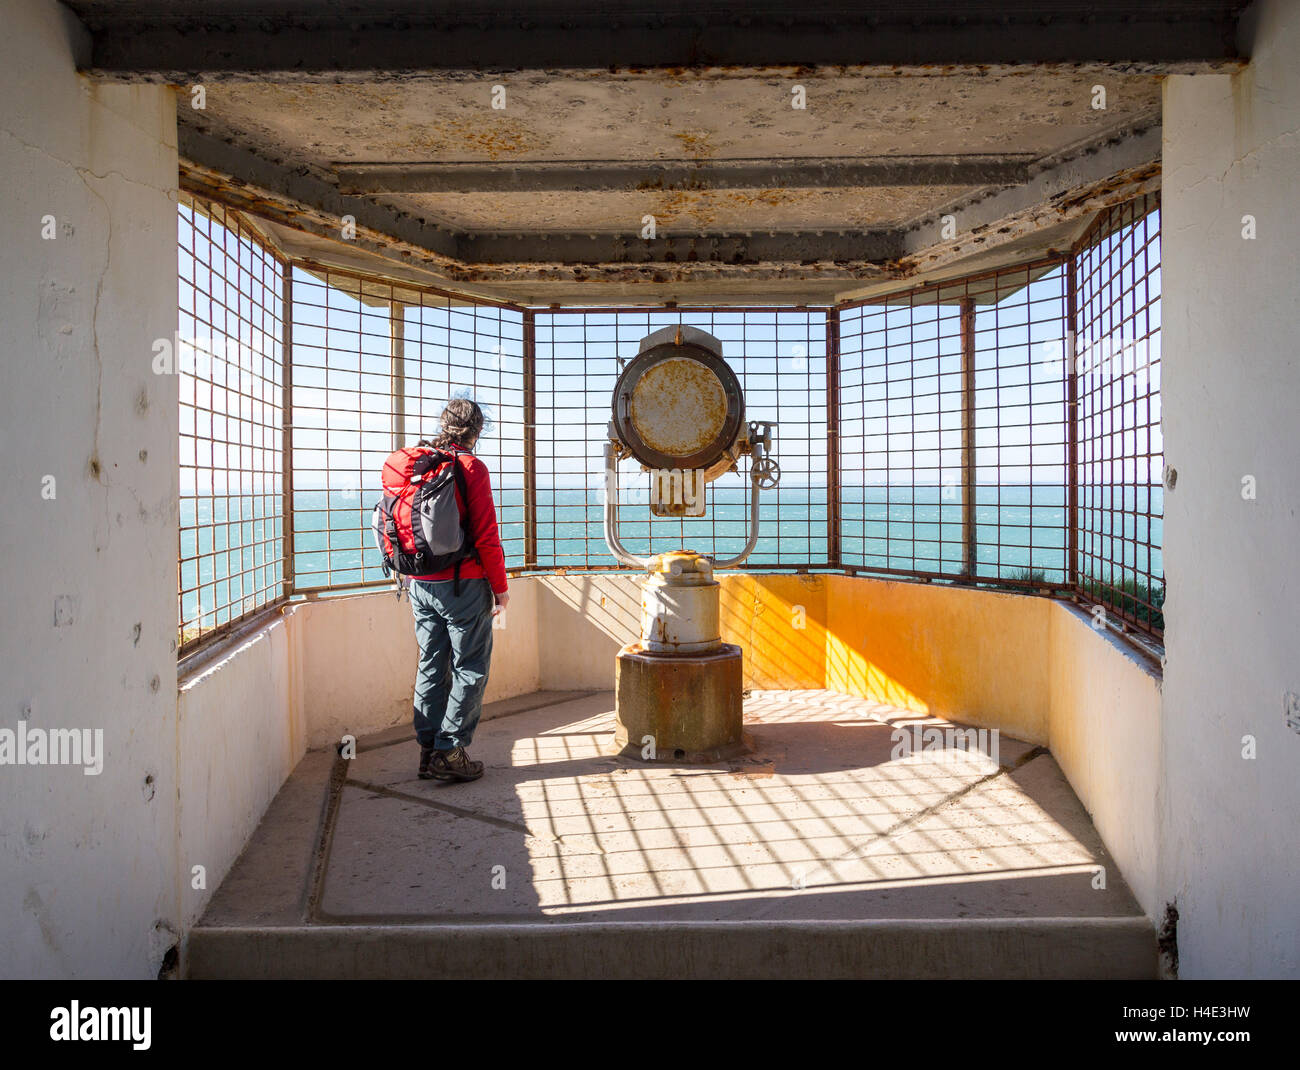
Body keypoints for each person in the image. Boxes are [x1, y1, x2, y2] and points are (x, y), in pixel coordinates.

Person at [408, 399, 508, 783]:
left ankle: (428, 750)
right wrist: (500, 589)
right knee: (470, 667)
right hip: (463, 585)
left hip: (419, 582)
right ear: (477, 431)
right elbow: (486, 536)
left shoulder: (418, 462)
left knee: (431, 664)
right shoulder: (471, 467)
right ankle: (451, 750)